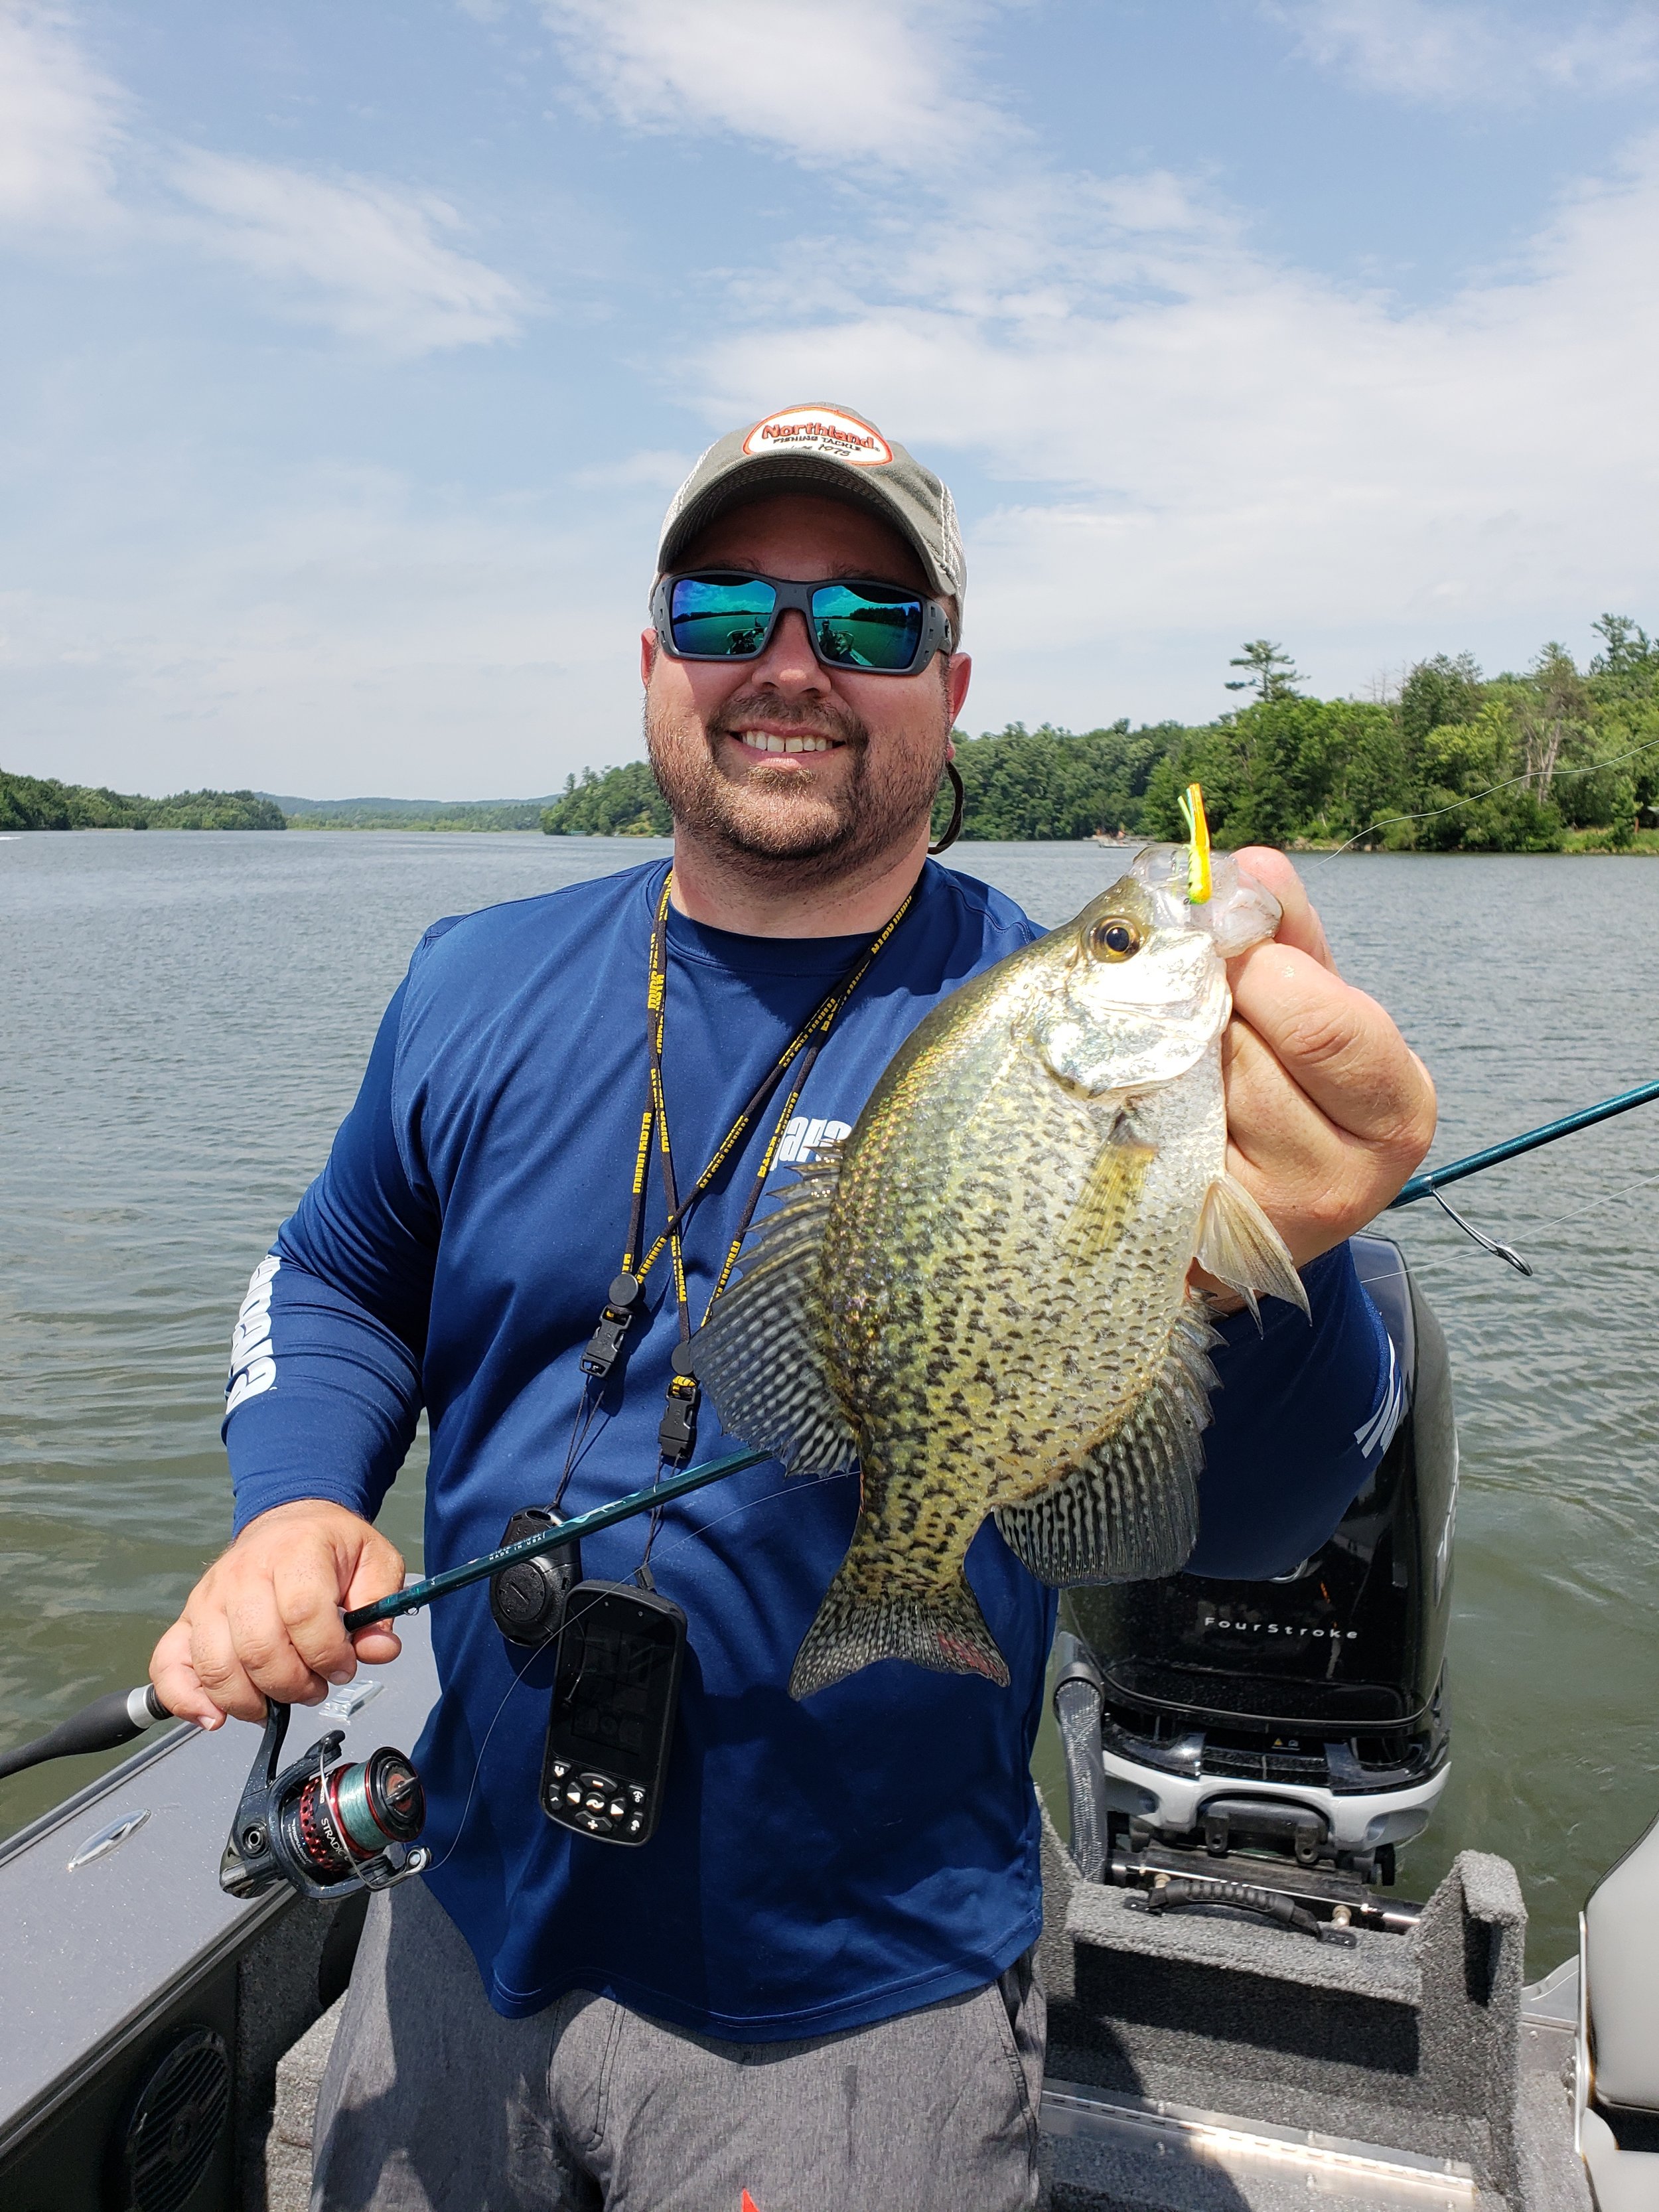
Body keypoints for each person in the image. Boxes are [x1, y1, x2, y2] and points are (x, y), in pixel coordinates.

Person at [150, 402, 1435, 2212]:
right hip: (462, 1911)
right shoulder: (471, 981)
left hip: (853, 2000)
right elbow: (336, 1275)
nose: (788, 666)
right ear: (653, 654)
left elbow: (1256, 1518)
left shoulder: (1044, 1015)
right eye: (725, 607)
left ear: (951, 683)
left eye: (865, 625)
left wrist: (1286, 1261)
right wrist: (295, 1502)